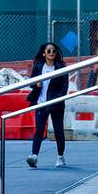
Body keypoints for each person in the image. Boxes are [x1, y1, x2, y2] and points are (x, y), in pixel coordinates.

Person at [26, 41, 69, 169]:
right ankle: (34, 156)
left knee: (58, 131)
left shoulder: (61, 67)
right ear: (44, 53)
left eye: (54, 51)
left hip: (56, 104)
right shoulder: (39, 66)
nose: (52, 53)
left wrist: (56, 99)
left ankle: (60, 157)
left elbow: (64, 88)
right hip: (41, 102)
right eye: (49, 51)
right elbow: (31, 82)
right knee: (39, 130)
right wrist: (36, 84)